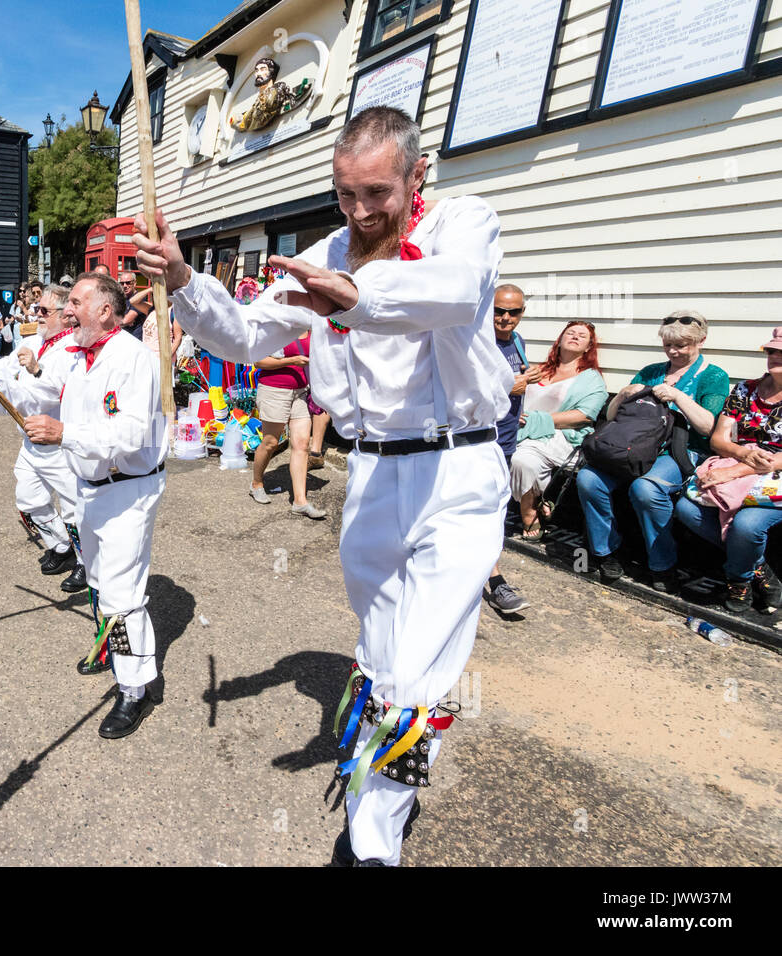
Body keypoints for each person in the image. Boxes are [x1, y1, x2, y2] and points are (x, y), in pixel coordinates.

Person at [136, 105, 512, 866]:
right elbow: (245, 333)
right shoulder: (329, 248)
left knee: (413, 669)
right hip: (372, 470)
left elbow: (455, 291)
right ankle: (384, 761)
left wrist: (355, 297)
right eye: (345, 194)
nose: (361, 211)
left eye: (377, 192)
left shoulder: (464, 223)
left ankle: (371, 843)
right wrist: (182, 279)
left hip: (459, 469)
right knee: (380, 652)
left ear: (417, 173)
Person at [0, 273, 169, 739]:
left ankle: (135, 688)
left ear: (105, 310)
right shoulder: (69, 353)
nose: (63, 309)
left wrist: (65, 434)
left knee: (121, 595)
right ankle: (111, 650)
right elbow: (37, 394)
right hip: (89, 484)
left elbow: (133, 434)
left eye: (75, 301)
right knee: (97, 580)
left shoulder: (134, 359)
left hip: (130, 490)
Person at [577, 310, 729, 589]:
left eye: (681, 345)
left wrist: (678, 396)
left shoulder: (713, 376)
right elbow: (613, 417)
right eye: (667, 345)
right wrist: (622, 394)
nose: (673, 351)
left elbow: (708, 427)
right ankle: (605, 551)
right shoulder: (652, 372)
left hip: (681, 451)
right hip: (634, 446)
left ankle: (662, 563)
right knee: (589, 478)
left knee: (645, 489)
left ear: (701, 340)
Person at [0, 284, 88, 593]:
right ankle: (62, 546)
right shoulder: (33, 340)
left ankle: (86, 562)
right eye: (36, 309)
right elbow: (3, 366)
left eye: (44, 311)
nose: (36, 314)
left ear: (67, 316)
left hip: (59, 443)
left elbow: (42, 395)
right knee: (29, 499)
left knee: (73, 508)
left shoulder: (73, 351)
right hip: (30, 440)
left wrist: (29, 370)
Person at [674, 329, 782, 614]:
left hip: (774, 480)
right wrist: (744, 455)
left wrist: (734, 472)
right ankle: (758, 567)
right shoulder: (745, 390)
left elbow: (775, 461)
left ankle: (739, 581)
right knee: (686, 509)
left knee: (747, 526)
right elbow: (718, 440)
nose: (775, 357)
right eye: (772, 351)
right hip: (737, 463)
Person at [508, 320, 607, 540]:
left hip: (560, 435)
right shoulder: (539, 370)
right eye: (570, 332)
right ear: (560, 339)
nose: (575, 336)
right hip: (520, 430)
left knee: (522, 460)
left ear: (589, 346)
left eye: (582, 336)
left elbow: (584, 416)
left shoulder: (591, 379)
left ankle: (529, 513)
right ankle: (537, 498)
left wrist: (537, 421)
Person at [486, 284, 536, 612]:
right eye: (498, 311)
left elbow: (518, 381)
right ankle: (495, 580)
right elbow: (460, 394)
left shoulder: (517, 341)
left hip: (507, 438)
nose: (505, 318)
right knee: (488, 511)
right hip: (480, 441)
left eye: (513, 312)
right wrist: (508, 389)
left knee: (497, 508)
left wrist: (516, 412)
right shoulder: (478, 343)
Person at [249, 332, 325, 518]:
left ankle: (300, 502)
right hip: (274, 390)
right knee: (271, 443)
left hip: (301, 392)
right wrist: (291, 361)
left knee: (301, 444)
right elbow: (258, 362)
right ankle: (256, 483)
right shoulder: (277, 328)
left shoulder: (311, 328)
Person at [120, 272, 152, 339]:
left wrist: (114, 321)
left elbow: (126, 320)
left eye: (128, 283)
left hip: (135, 338)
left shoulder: (138, 298)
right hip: (122, 337)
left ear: (134, 283)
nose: (124, 286)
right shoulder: (120, 298)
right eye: (122, 283)